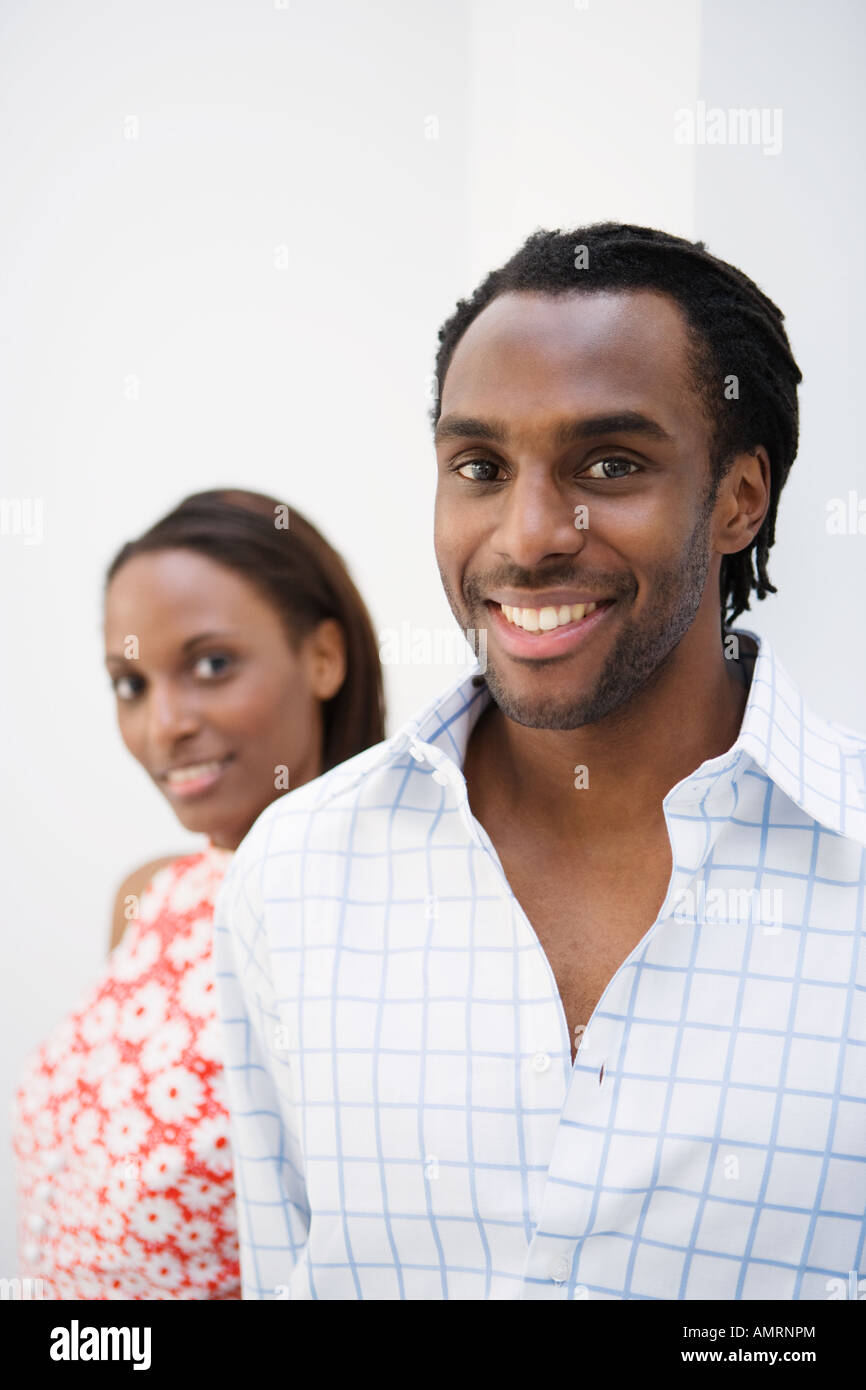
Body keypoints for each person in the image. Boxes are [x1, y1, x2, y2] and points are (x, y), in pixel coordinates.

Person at [214, 224, 866, 1302]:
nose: (526, 536)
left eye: (608, 464)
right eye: (479, 466)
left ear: (739, 498)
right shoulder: (295, 872)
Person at [12, 488, 384, 1299]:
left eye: (211, 665)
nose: (164, 724)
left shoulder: (392, 917)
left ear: (324, 656)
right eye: (130, 683)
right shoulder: (150, 898)